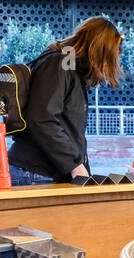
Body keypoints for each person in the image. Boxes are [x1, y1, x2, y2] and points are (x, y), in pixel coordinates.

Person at [7, 16, 123, 185]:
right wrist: (75, 165)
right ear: (98, 48)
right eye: (109, 56)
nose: (108, 64)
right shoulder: (60, 63)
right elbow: (43, 119)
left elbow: (64, 123)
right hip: (35, 171)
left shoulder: (70, 66)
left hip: (43, 171)